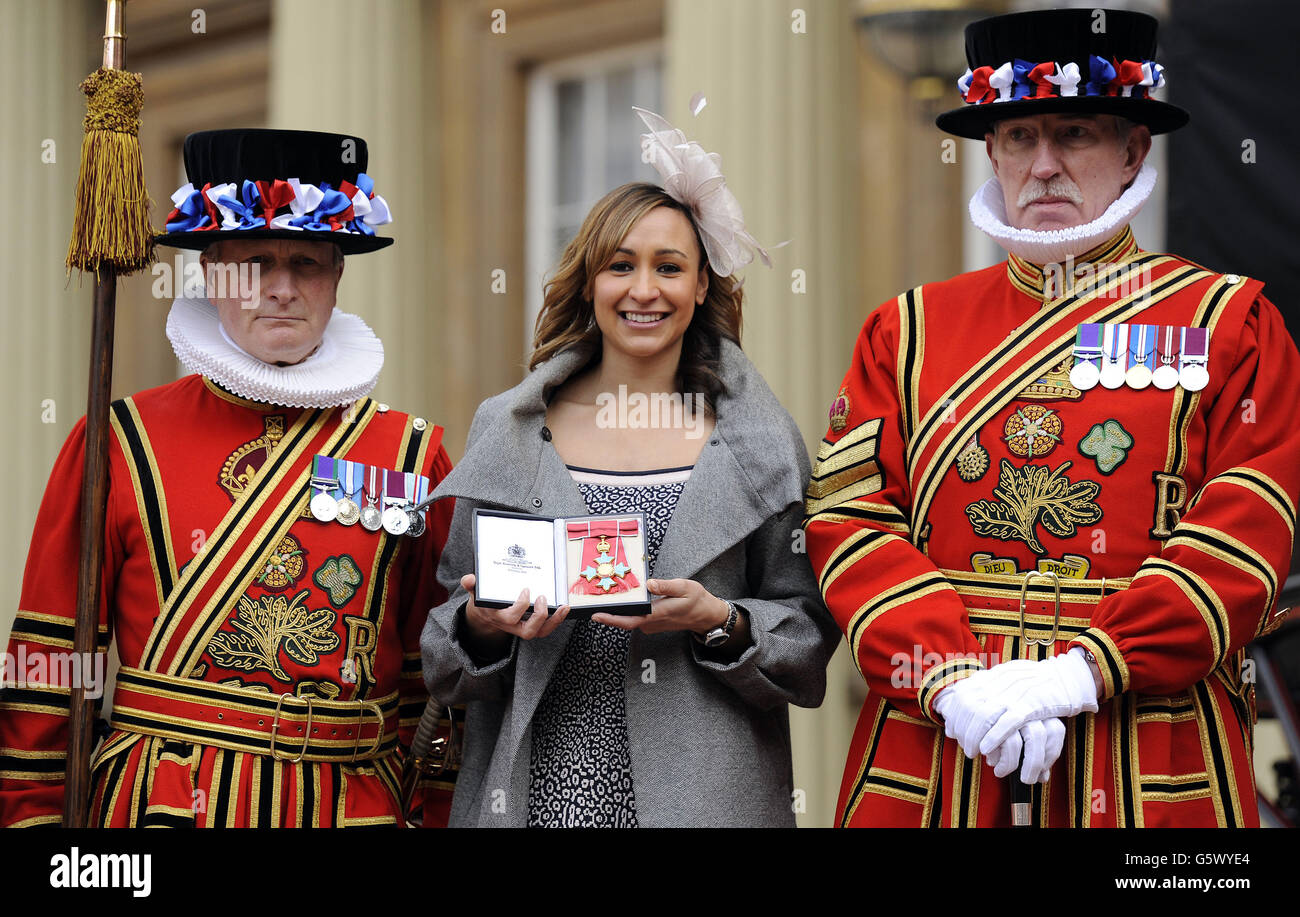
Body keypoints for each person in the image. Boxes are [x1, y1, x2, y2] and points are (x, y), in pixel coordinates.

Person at [804, 8, 1300, 827]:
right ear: (992, 152)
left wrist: (1087, 669)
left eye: (1074, 133)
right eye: (1019, 136)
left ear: (1133, 148)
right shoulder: (906, 329)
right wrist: (948, 675)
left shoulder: (1230, 321)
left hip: (1149, 741)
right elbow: (846, 518)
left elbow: (1245, 535)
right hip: (945, 740)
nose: (1042, 165)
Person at [0, 129, 457, 827]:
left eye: (304, 262)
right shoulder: (117, 439)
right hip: (165, 809)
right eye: (254, 262)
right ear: (213, 273)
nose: (280, 287)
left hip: (350, 812)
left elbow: (439, 677)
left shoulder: (413, 452)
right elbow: (52, 668)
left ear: (337, 274)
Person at [421, 108, 840, 827]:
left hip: (709, 798)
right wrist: (484, 625)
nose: (643, 290)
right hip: (533, 794)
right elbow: (442, 646)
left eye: (669, 267)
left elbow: (806, 639)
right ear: (589, 282)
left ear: (702, 286)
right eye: (620, 265)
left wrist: (721, 619)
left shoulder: (761, 443)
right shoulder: (510, 429)